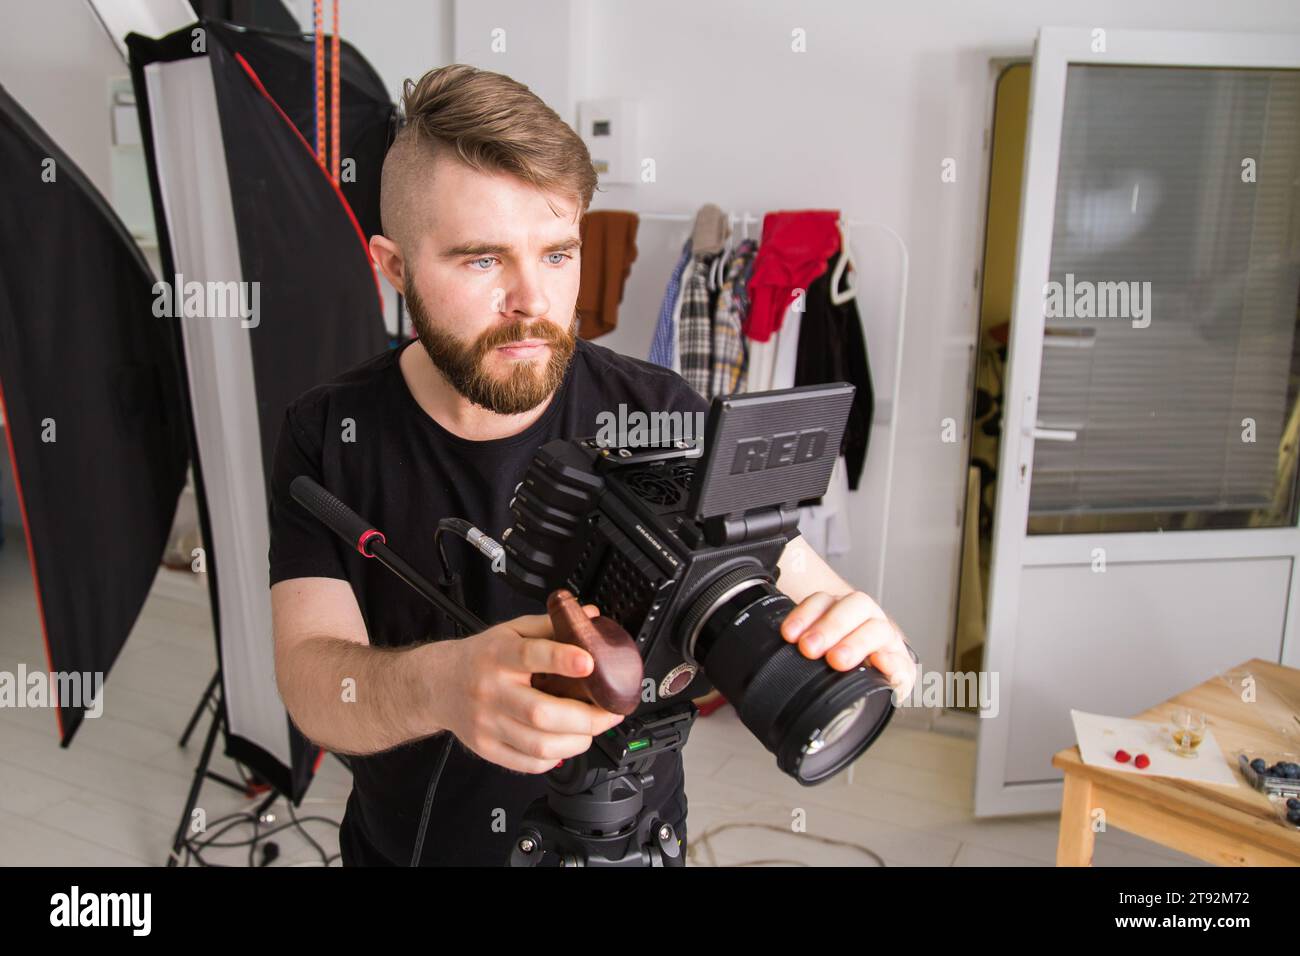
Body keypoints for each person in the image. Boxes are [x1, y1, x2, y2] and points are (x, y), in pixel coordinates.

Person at [268, 63, 918, 867]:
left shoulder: (660, 410)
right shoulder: (330, 433)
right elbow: (309, 682)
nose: (532, 301)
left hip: (633, 845)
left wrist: (869, 639)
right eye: (481, 261)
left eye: (557, 253)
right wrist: (443, 685)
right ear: (394, 269)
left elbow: (808, 587)